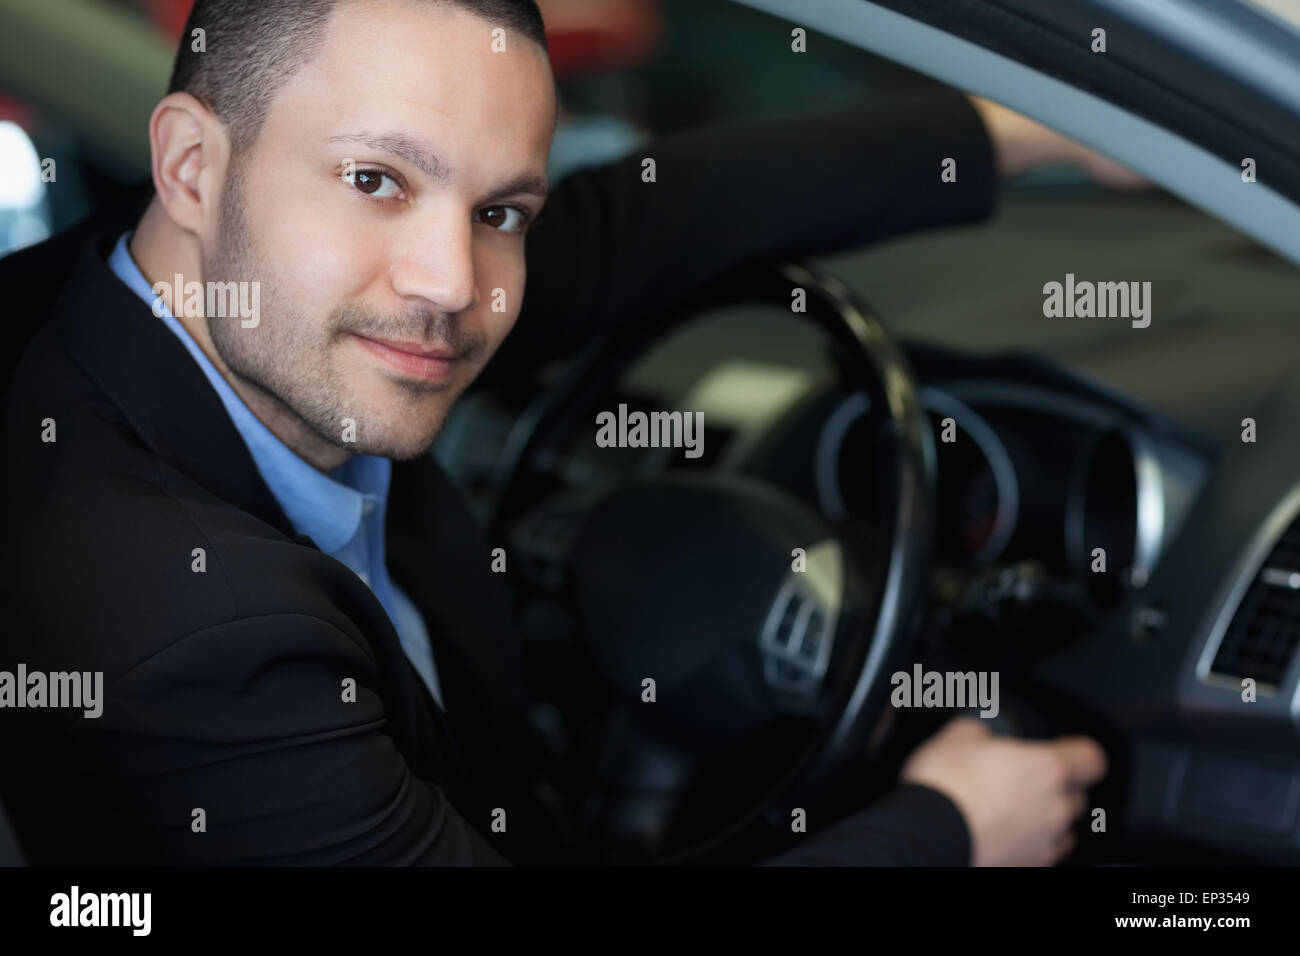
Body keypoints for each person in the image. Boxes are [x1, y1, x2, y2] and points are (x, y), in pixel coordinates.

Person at [0, 0, 1111, 866]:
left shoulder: (166, 292)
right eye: (375, 179)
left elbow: (642, 221)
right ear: (191, 164)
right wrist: (946, 831)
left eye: (499, 214)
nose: (452, 285)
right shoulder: (187, 633)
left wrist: (1012, 133)